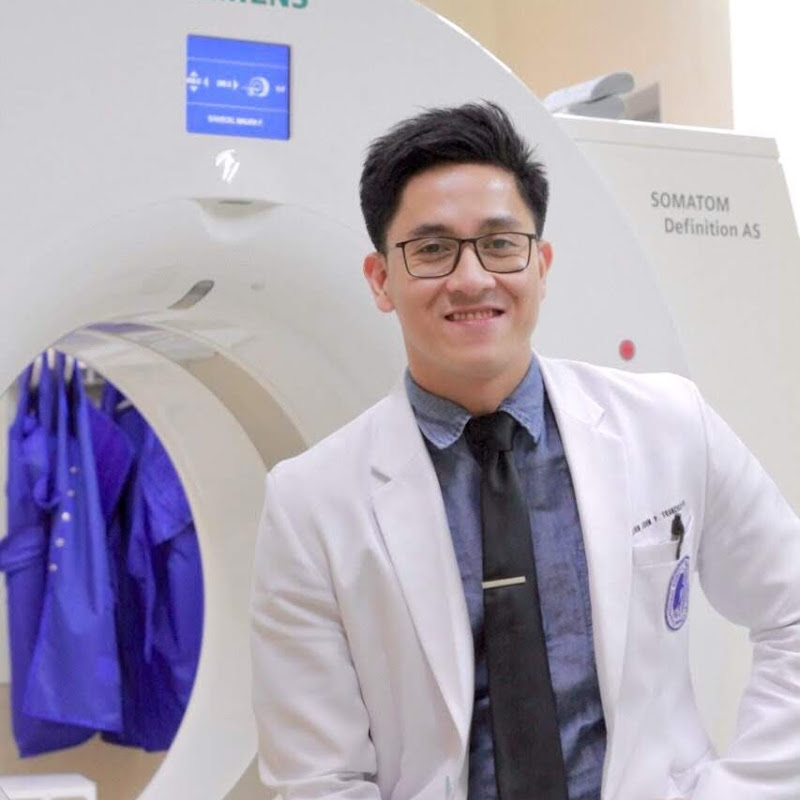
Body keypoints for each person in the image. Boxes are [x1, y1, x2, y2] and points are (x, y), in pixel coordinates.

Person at [250, 102, 800, 800]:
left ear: (541, 264)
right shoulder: (310, 501)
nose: (472, 278)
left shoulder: (668, 423)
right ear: (380, 279)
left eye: (500, 243)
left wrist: (746, 788)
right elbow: (318, 777)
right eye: (432, 250)